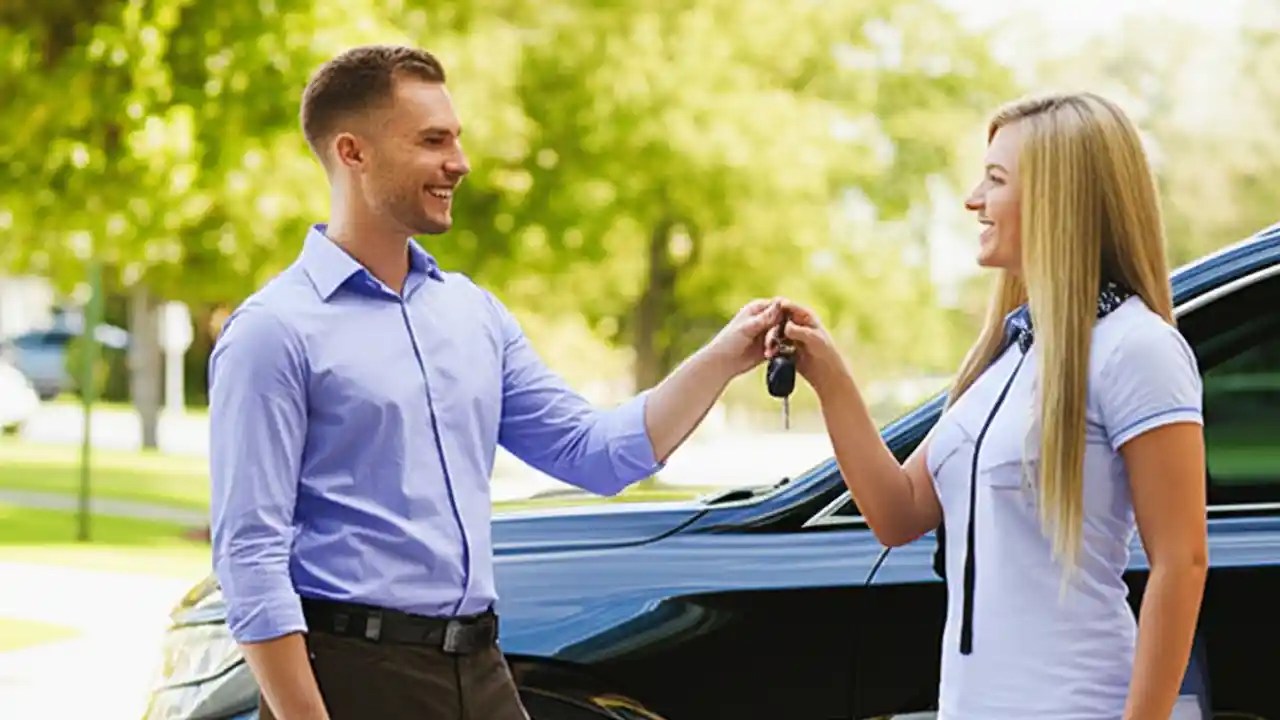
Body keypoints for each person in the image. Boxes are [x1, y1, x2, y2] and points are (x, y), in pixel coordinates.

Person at [207, 44, 783, 720]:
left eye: (456, 137)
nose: (460, 161)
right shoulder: (273, 331)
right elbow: (250, 556)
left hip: (482, 674)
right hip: (353, 678)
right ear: (352, 153)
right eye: (432, 140)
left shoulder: (473, 314)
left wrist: (723, 355)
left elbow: (594, 454)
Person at [767, 92, 1207, 719]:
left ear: (1057, 198)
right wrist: (829, 376)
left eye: (995, 180)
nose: (973, 199)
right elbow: (898, 513)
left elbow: (1182, 562)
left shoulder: (1136, 349)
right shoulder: (1008, 355)